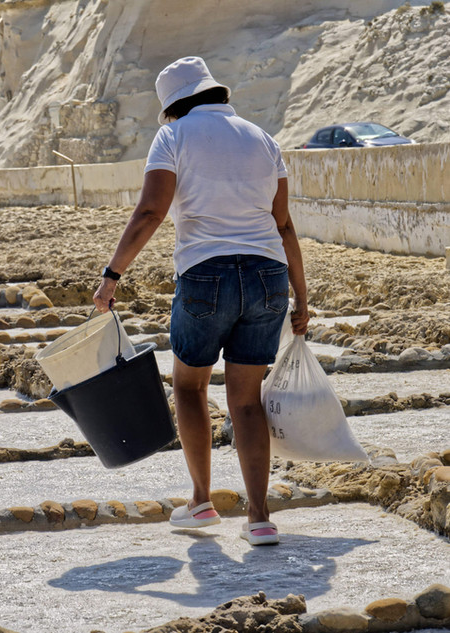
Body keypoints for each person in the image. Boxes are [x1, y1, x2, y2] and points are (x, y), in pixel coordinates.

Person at [92, 57, 309, 546]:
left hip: (205, 274)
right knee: (246, 401)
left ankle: (201, 502)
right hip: (268, 275)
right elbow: (285, 225)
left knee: (189, 388)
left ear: (173, 104)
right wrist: (301, 296)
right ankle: (259, 518)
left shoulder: (173, 137)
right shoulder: (261, 138)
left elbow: (151, 210)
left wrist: (112, 276)